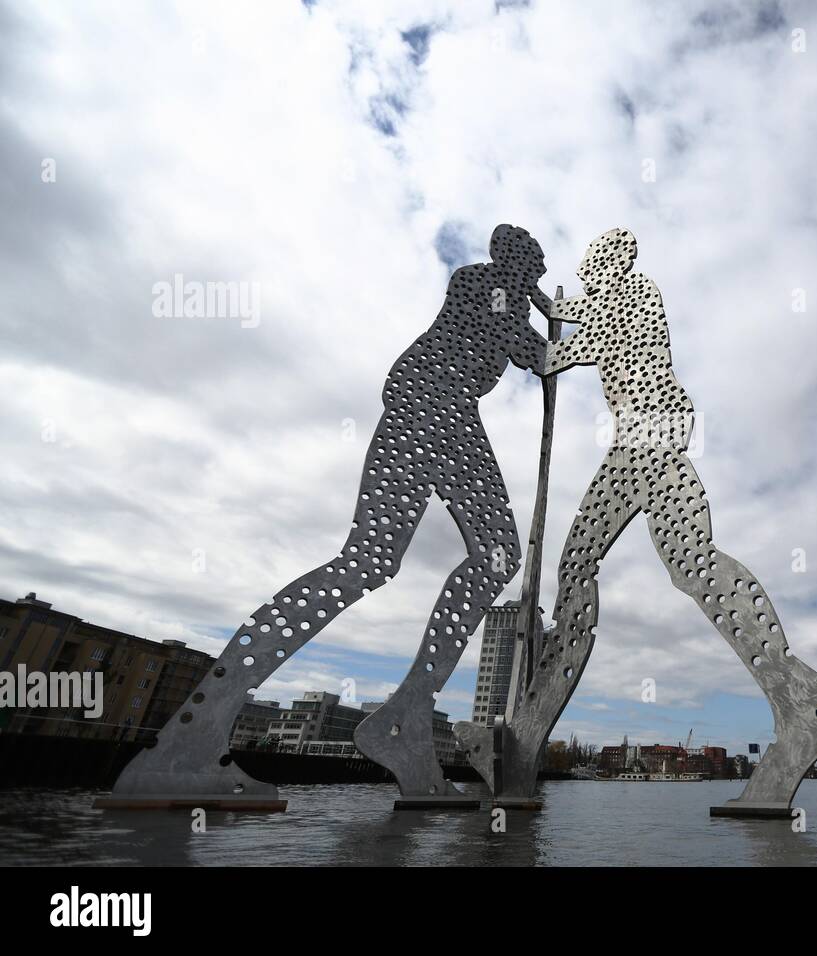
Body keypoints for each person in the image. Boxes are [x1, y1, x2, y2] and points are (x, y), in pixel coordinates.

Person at [110, 225, 551, 800]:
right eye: (532, 269)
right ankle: (197, 738)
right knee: (462, 556)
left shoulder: (507, 298)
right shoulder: (480, 287)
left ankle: (402, 724)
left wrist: (551, 321)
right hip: (435, 404)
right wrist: (557, 316)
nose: (536, 280)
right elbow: (534, 350)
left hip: (436, 406)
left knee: (390, 561)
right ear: (511, 263)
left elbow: (539, 353)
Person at [470, 227, 817, 806]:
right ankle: (801, 700)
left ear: (611, 266)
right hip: (645, 437)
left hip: (645, 440)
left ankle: (802, 701)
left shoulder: (627, 298)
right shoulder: (622, 296)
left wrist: (508, 309)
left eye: (594, 266)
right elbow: (566, 310)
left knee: (594, 567)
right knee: (687, 564)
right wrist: (541, 300)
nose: (591, 275)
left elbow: (550, 356)